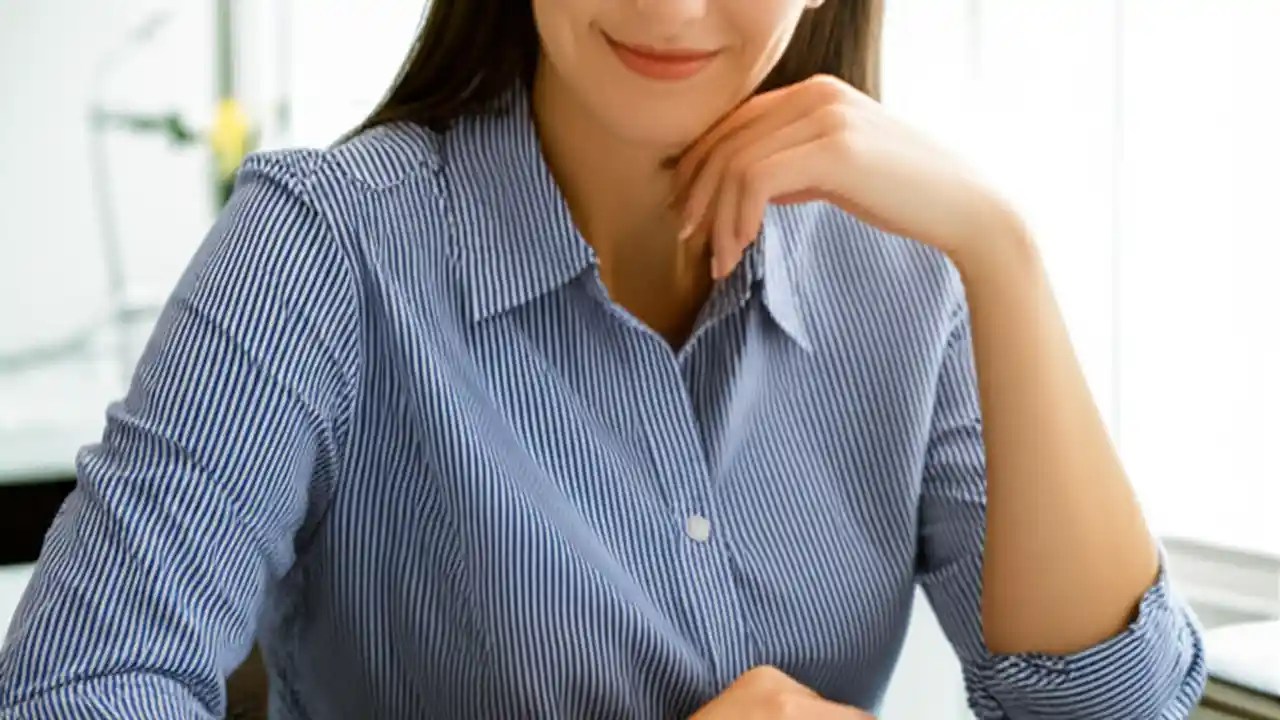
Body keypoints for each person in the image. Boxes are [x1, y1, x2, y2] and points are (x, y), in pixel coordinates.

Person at [0, 0, 1207, 717]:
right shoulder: (324, 252)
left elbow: (1116, 707)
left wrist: (1001, 252)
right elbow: (77, 688)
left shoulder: (907, 276)